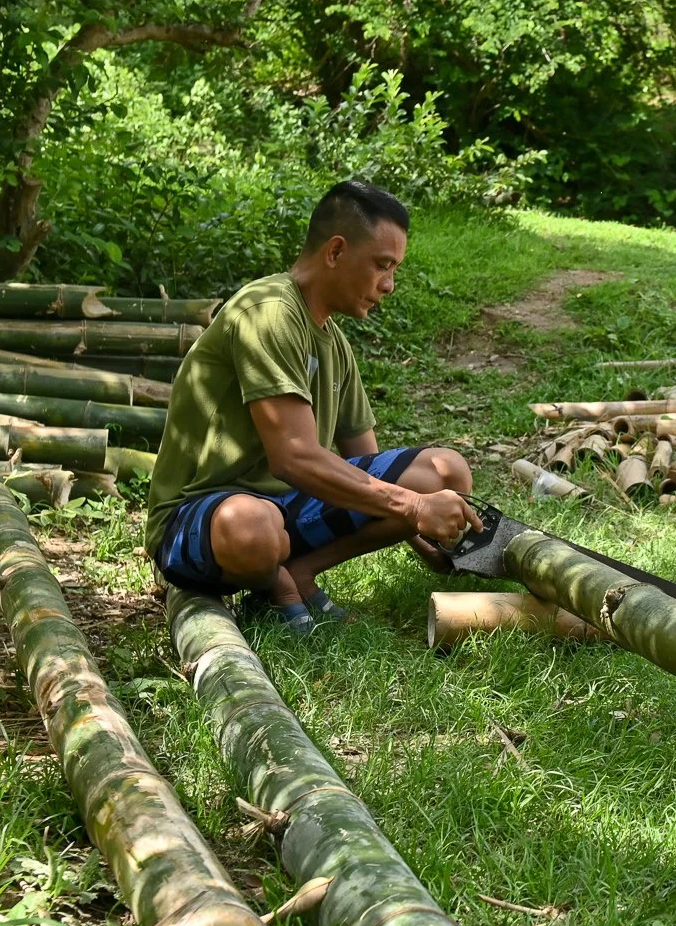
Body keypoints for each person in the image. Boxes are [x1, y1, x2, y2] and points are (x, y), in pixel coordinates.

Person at [145, 180, 481, 631]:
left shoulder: (334, 343)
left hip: (285, 511)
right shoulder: (267, 312)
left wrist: (425, 537)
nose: (390, 285)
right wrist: (416, 510)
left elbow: (365, 464)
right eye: (382, 266)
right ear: (336, 251)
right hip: (200, 521)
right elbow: (293, 457)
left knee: (442, 472)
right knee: (252, 524)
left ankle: (300, 572)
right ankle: (277, 585)